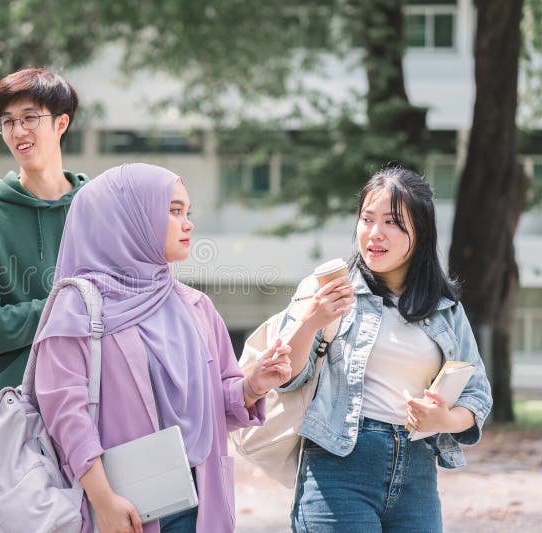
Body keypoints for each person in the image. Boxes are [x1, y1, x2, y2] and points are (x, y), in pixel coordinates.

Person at [33, 163, 293, 533]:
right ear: (128, 219)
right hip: (123, 507)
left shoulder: (197, 307)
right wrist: (103, 500)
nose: (188, 224)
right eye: (173, 211)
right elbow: (66, 414)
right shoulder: (78, 306)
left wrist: (253, 385)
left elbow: (218, 406)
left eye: (188, 212)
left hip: (201, 501)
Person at [265, 166, 492, 532]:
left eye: (392, 222)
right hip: (339, 469)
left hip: (416, 473)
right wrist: (311, 319)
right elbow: (285, 377)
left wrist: (444, 420)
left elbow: (477, 393)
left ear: (420, 232)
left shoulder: (444, 307)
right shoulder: (327, 289)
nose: (375, 234)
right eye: (367, 219)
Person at [0, 68, 88, 417]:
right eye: (8, 122)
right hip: (17, 409)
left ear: (61, 123)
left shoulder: (99, 209)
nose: (18, 132)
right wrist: (63, 310)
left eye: (30, 118)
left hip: (95, 397)